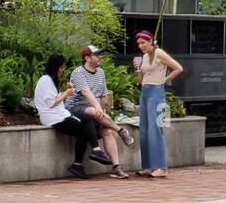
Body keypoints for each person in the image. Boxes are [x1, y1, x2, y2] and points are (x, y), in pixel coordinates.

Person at [34, 54, 111, 178]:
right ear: (56, 67)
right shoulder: (46, 80)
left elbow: (54, 99)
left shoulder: (50, 80)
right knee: (85, 124)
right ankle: (95, 151)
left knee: (86, 126)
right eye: (62, 67)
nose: (63, 70)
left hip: (59, 114)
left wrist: (66, 92)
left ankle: (79, 163)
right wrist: (67, 93)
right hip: (54, 117)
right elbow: (52, 103)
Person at [64, 45, 133, 179]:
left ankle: (116, 167)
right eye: (96, 55)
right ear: (87, 58)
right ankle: (121, 130)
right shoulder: (78, 72)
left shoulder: (100, 72)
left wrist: (103, 111)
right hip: (75, 107)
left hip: (94, 109)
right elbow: (85, 91)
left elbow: (104, 95)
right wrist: (98, 108)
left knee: (107, 130)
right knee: (94, 112)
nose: (100, 57)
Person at [134, 31, 184, 178]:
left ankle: (161, 166)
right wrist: (138, 68)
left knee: (156, 129)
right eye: (138, 43)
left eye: (143, 42)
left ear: (151, 41)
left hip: (157, 92)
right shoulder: (144, 56)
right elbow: (141, 79)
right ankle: (148, 166)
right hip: (145, 91)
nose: (141, 46)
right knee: (144, 130)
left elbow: (178, 68)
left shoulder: (159, 53)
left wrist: (164, 80)